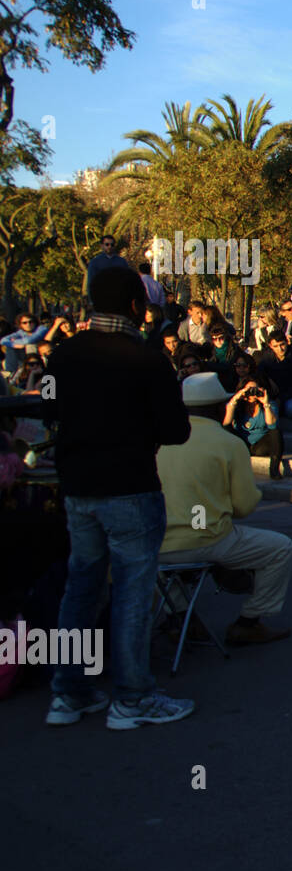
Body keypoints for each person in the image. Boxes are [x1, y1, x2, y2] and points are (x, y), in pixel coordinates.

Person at [42, 267, 194, 730]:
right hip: (129, 486)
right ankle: (132, 698)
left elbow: (49, 411)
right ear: (135, 306)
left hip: (77, 487)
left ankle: (69, 693)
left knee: (80, 589)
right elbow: (176, 430)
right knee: (131, 590)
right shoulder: (146, 358)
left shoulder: (64, 354)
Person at [156, 372, 292, 645]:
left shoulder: (160, 440)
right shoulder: (229, 443)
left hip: (159, 543)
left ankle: (182, 616)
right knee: (281, 548)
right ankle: (249, 621)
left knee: (154, 564)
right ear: (220, 407)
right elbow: (243, 506)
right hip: (209, 539)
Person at [258, 331, 292, 419]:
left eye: (282, 345)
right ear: (270, 346)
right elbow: (260, 378)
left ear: (287, 343)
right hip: (272, 396)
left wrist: (281, 399)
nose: (280, 349)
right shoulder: (266, 359)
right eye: (275, 346)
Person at [84, 234, 133, 301]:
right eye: (107, 244)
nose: (109, 246)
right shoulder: (95, 262)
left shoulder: (122, 262)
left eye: (112, 245)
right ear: (102, 246)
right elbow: (91, 283)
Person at [2, 311, 50, 376]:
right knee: (10, 347)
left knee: (29, 345)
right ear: (20, 324)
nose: (28, 324)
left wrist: (15, 342)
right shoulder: (21, 332)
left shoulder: (41, 329)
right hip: (24, 356)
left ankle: (32, 367)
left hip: (40, 356)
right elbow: (3, 340)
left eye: (31, 322)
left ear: (35, 322)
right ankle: (11, 372)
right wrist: (14, 345)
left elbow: (29, 340)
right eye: (25, 323)